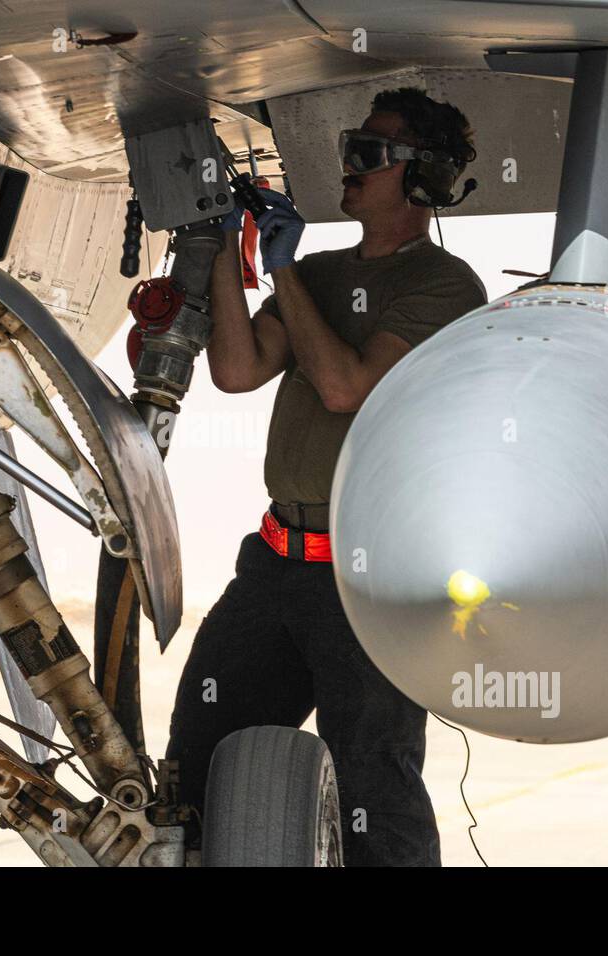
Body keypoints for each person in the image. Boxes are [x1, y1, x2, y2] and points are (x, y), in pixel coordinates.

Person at [166, 87, 487, 866]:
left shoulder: (444, 289)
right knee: (197, 765)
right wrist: (222, 246)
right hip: (279, 562)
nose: (348, 165)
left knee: (373, 789)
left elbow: (345, 385)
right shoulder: (314, 272)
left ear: (423, 179)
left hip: (370, 581)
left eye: (370, 154)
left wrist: (284, 276)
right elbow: (239, 370)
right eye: (351, 147)